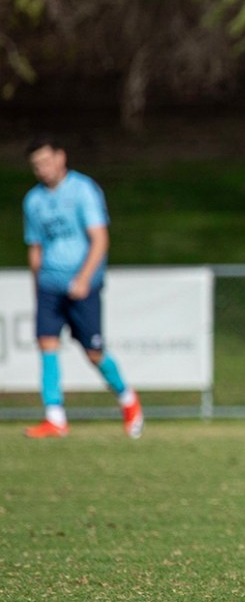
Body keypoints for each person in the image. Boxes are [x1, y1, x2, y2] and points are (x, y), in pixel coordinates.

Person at [21, 134, 144, 439]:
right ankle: (55, 417)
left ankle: (128, 401)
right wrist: (37, 286)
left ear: (61, 157)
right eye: (37, 165)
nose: (43, 169)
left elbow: (100, 238)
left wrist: (84, 278)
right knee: (47, 344)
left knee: (93, 352)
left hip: (82, 285)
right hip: (50, 284)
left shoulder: (83, 190)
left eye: (47, 161)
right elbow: (35, 247)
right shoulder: (33, 201)